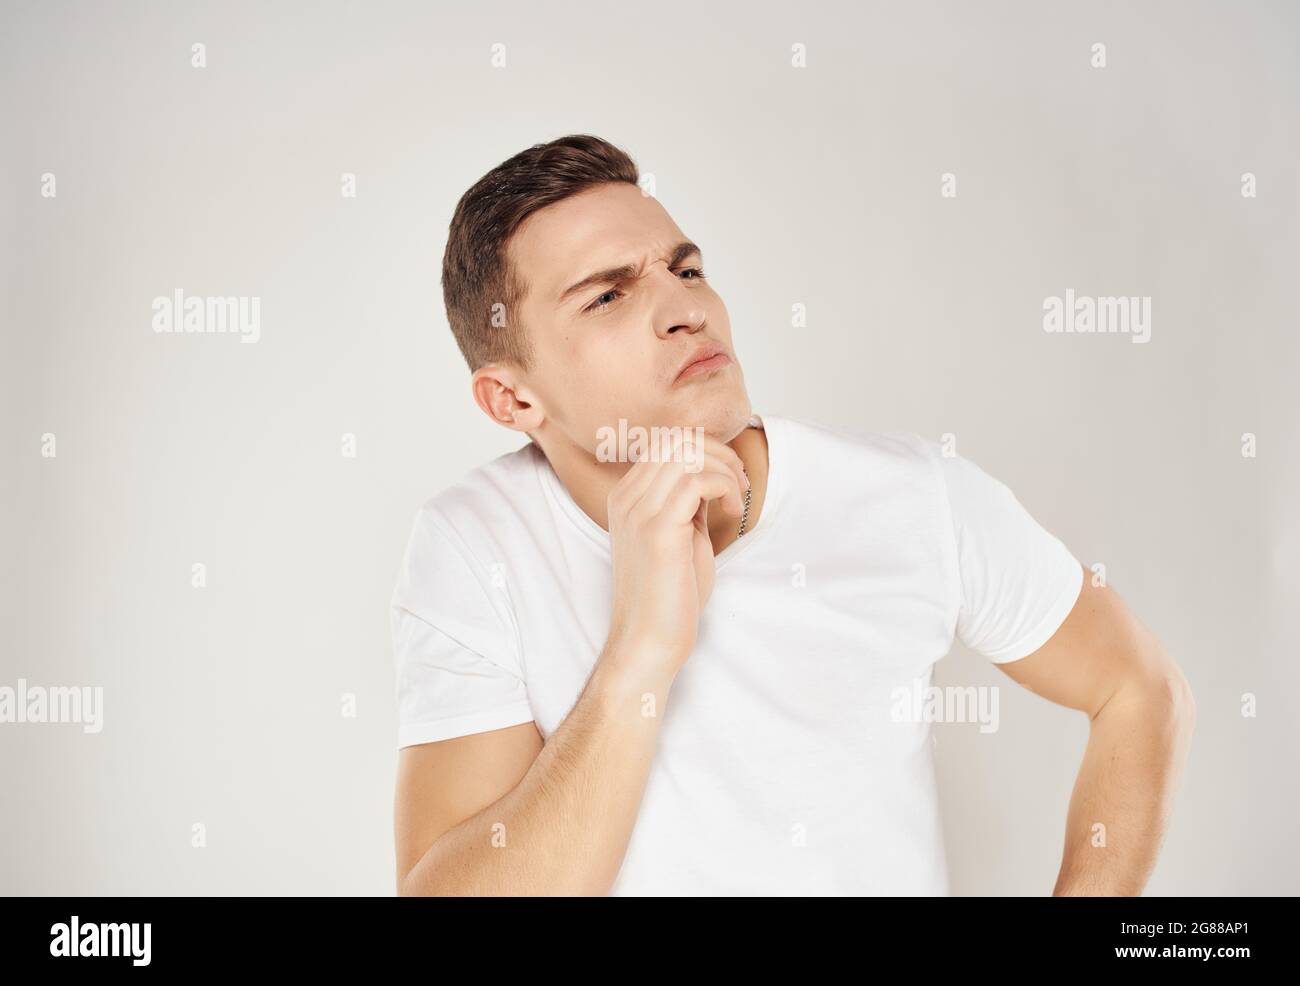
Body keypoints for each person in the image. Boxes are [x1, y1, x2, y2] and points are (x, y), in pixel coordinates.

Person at [390, 134, 1195, 896]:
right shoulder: (474, 542)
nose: (685, 309)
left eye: (687, 269)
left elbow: (1137, 687)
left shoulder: (913, 495)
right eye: (607, 295)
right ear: (512, 398)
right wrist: (640, 652)